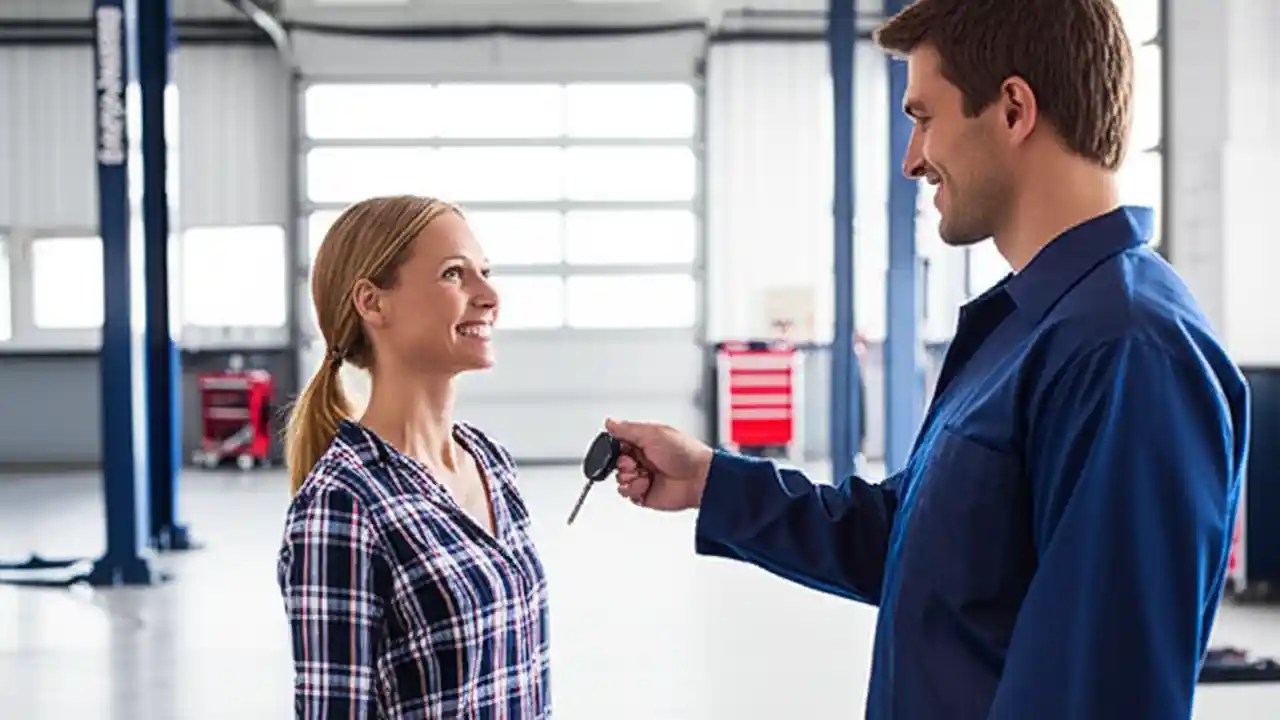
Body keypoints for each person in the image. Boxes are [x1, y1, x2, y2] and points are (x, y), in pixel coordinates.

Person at [608, 1, 1250, 718]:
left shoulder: (1128, 354)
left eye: (923, 118)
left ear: (1013, 110)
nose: (911, 159)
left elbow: (1094, 695)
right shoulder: (1030, 326)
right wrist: (713, 481)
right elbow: (922, 546)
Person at [276, 195, 551, 718]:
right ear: (373, 303)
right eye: (454, 274)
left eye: (485, 272)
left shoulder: (490, 462)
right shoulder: (343, 505)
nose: (489, 295)